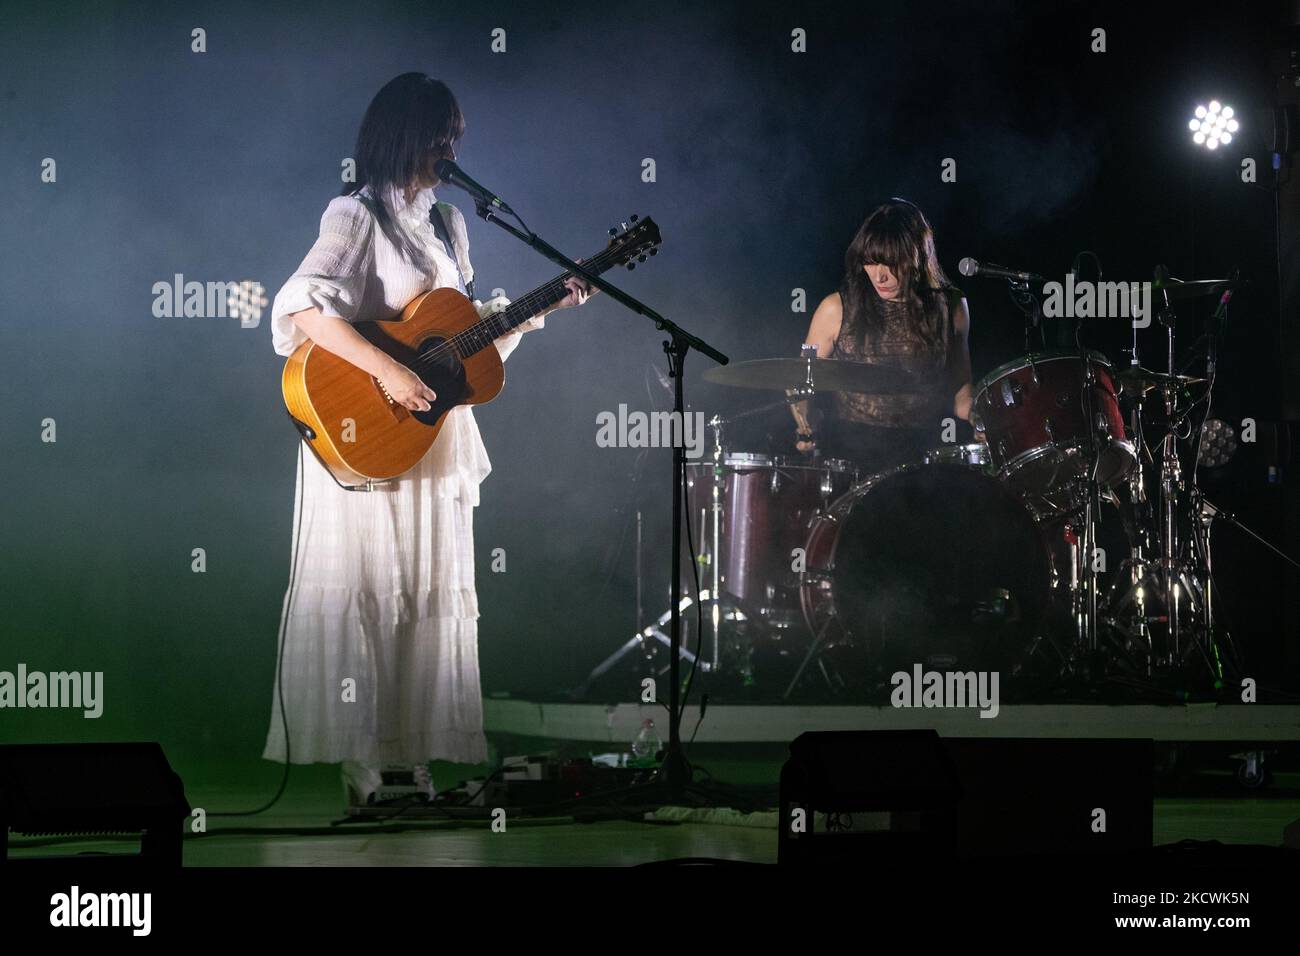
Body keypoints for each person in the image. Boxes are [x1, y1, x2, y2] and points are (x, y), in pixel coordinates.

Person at [262, 73, 590, 809]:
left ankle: (413, 768)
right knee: (371, 593)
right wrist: (387, 373)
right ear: (404, 134)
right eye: (438, 135)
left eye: (455, 137)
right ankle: (366, 774)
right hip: (366, 429)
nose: (448, 148)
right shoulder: (356, 213)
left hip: (430, 439)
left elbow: (463, 348)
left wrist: (541, 310)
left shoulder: (448, 224)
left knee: (421, 598)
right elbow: (302, 309)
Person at [790, 199, 973, 474]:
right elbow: (798, 379)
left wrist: (982, 422)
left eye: (890, 263)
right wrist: (805, 423)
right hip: (853, 455)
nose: (879, 275)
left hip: (926, 455)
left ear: (917, 257)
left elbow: (962, 393)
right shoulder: (835, 309)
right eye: (871, 261)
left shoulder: (951, 307)